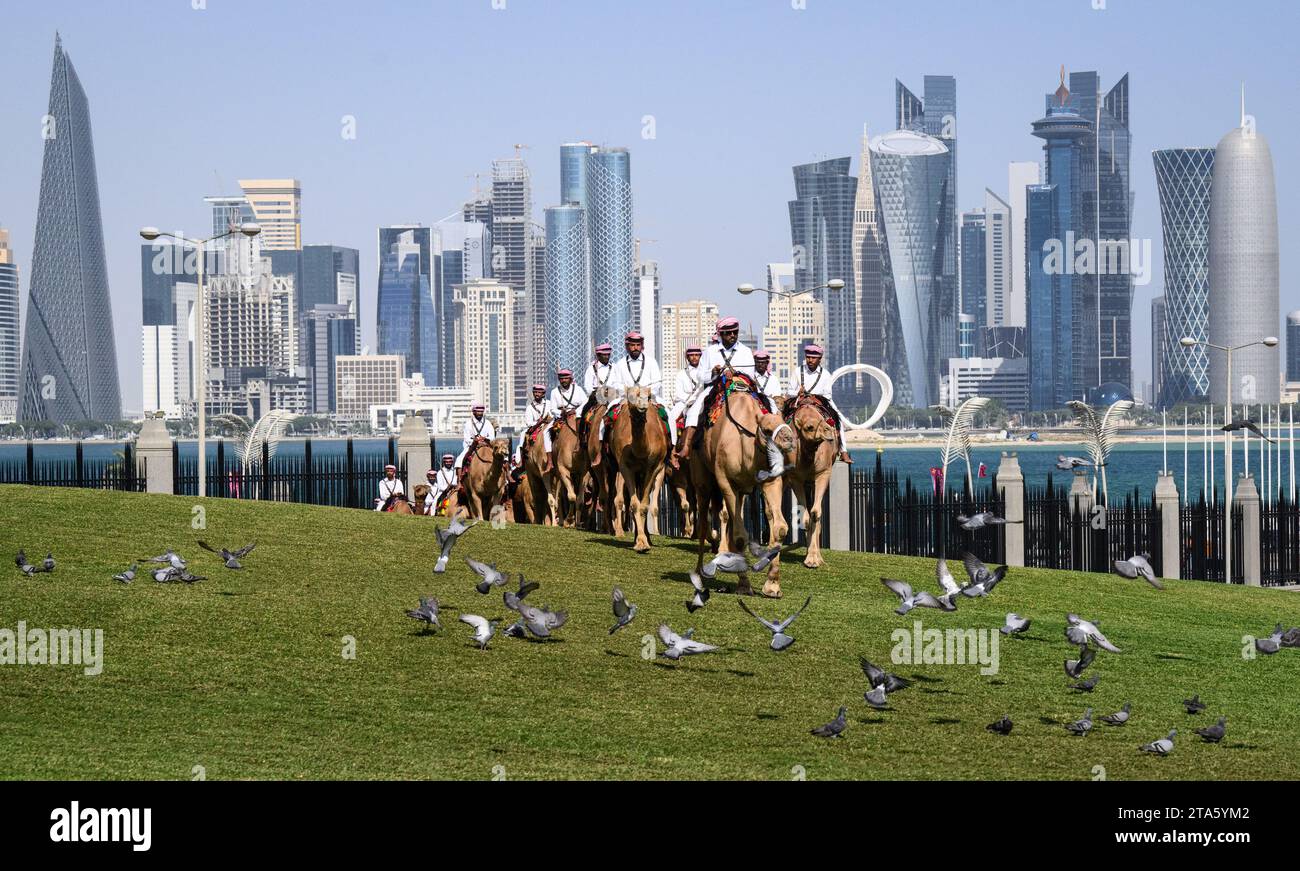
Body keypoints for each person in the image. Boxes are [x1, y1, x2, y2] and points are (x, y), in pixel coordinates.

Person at [675, 316, 755, 466]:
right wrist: (714, 372)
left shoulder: (745, 351)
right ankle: (687, 447)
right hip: (716, 388)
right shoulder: (710, 351)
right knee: (693, 410)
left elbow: (750, 374)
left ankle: (773, 446)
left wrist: (736, 374)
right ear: (720, 334)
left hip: (742, 388)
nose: (732, 335)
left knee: (770, 405)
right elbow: (701, 376)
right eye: (728, 333)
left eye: (735, 332)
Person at [789, 344, 852, 464]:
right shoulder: (797, 371)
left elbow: (827, 394)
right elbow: (789, 391)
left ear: (820, 359)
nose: (810, 360)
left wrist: (812, 397)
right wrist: (798, 392)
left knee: (838, 420)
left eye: (813, 358)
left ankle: (843, 451)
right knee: (783, 418)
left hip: (820, 402)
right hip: (800, 401)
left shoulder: (826, 374)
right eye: (808, 357)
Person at [667, 344, 705, 451]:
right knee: (671, 417)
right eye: (691, 355)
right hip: (683, 402)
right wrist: (689, 401)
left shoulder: (705, 372)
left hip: (701, 400)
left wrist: (695, 400)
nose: (694, 357)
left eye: (697, 355)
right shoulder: (681, 374)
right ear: (687, 357)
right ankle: (673, 445)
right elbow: (679, 393)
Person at [516, 383, 554, 471]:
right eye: (535, 392)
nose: (537, 394)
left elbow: (553, 415)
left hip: (549, 425)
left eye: (539, 392)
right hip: (535, 427)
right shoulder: (529, 408)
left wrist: (547, 420)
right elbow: (529, 423)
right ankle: (522, 460)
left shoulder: (549, 403)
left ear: (543, 394)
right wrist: (538, 422)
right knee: (523, 434)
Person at [454, 403, 496, 476]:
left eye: (481, 412)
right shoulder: (468, 423)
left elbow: (492, 437)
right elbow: (467, 439)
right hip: (472, 447)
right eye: (478, 411)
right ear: (473, 412)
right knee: (459, 460)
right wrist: (476, 442)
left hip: (486, 446)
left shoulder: (488, 423)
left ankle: (505, 478)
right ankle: (459, 481)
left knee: (502, 458)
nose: (480, 413)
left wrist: (485, 440)